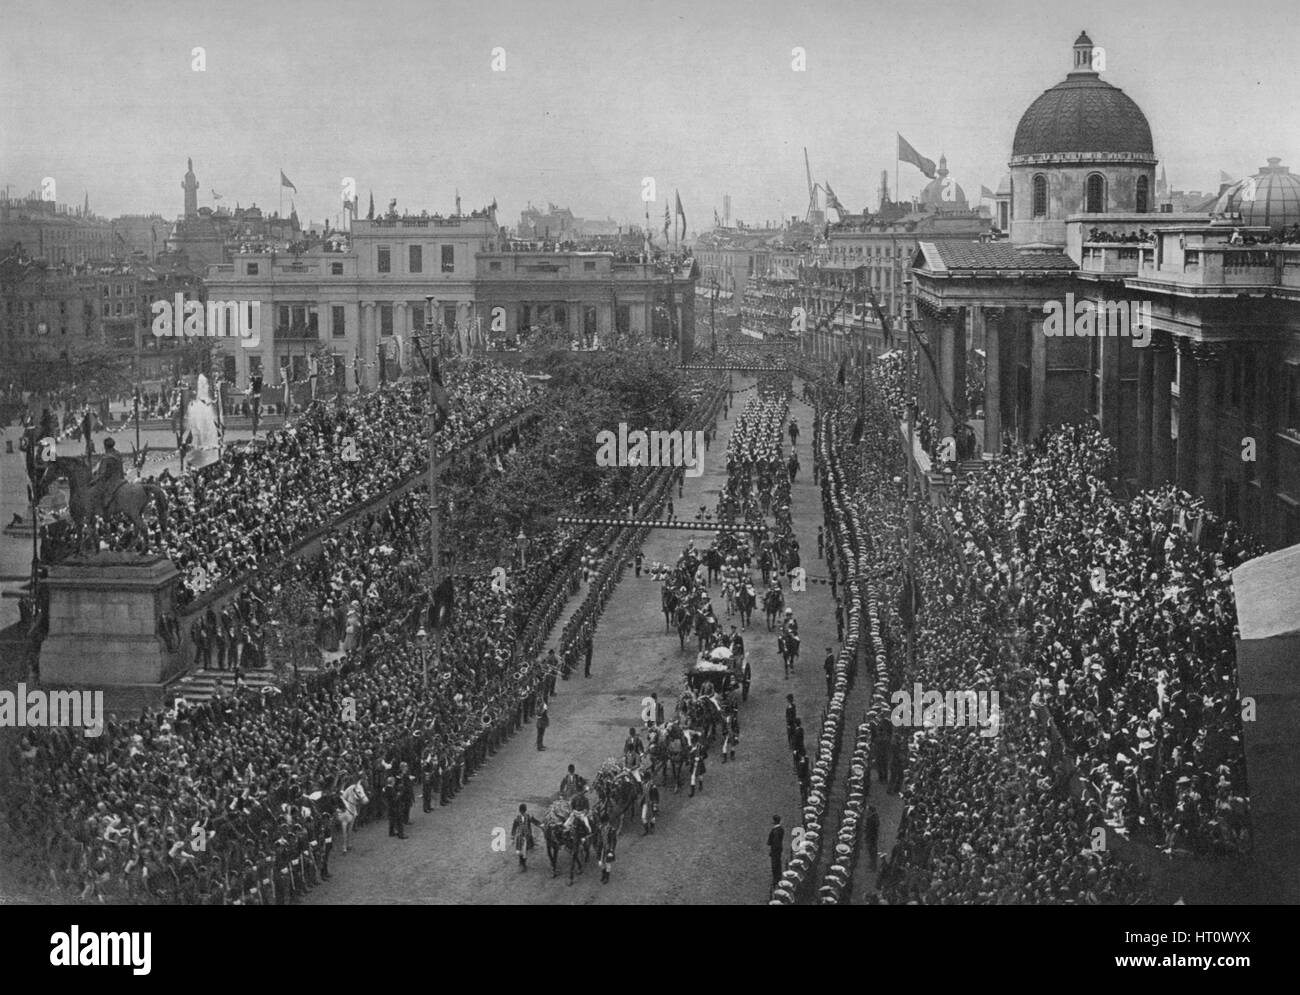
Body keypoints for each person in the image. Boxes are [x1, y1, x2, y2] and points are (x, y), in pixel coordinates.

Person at [511, 803, 541, 871]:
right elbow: (535, 822)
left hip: (521, 837)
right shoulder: (527, 817)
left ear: (520, 810)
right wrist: (541, 824)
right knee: (523, 851)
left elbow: (514, 828)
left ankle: (522, 864)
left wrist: (512, 836)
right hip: (525, 837)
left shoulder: (517, 818)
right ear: (525, 810)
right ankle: (523, 864)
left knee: (521, 851)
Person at [596, 812, 617, 884]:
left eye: (604, 822)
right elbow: (599, 837)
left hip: (608, 848)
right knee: (600, 863)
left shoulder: (612, 829)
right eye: (603, 822)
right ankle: (603, 874)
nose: (603, 824)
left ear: (607, 822)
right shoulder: (600, 828)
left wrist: (611, 850)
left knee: (608, 863)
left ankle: (607, 877)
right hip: (601, 848)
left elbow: (613, 841)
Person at [767, 815, 785, 889]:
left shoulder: (775, 831)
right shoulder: (781, 829)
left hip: (775, 850)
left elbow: (774, 841)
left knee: (774, 864)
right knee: (778, 863)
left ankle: (776, 879)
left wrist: (772, 850)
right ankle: (779, 876)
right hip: (779, 848)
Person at [863, 802, 880, 872]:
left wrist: (867, 837)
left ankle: (873, 867)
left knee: (872, 852)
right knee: (872, 852)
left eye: (868, 810)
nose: (866, 812)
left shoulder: (871, 819)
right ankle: (872, 865)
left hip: (871, 838)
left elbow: (870, 830)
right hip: (873, 838)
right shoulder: (874, 817)